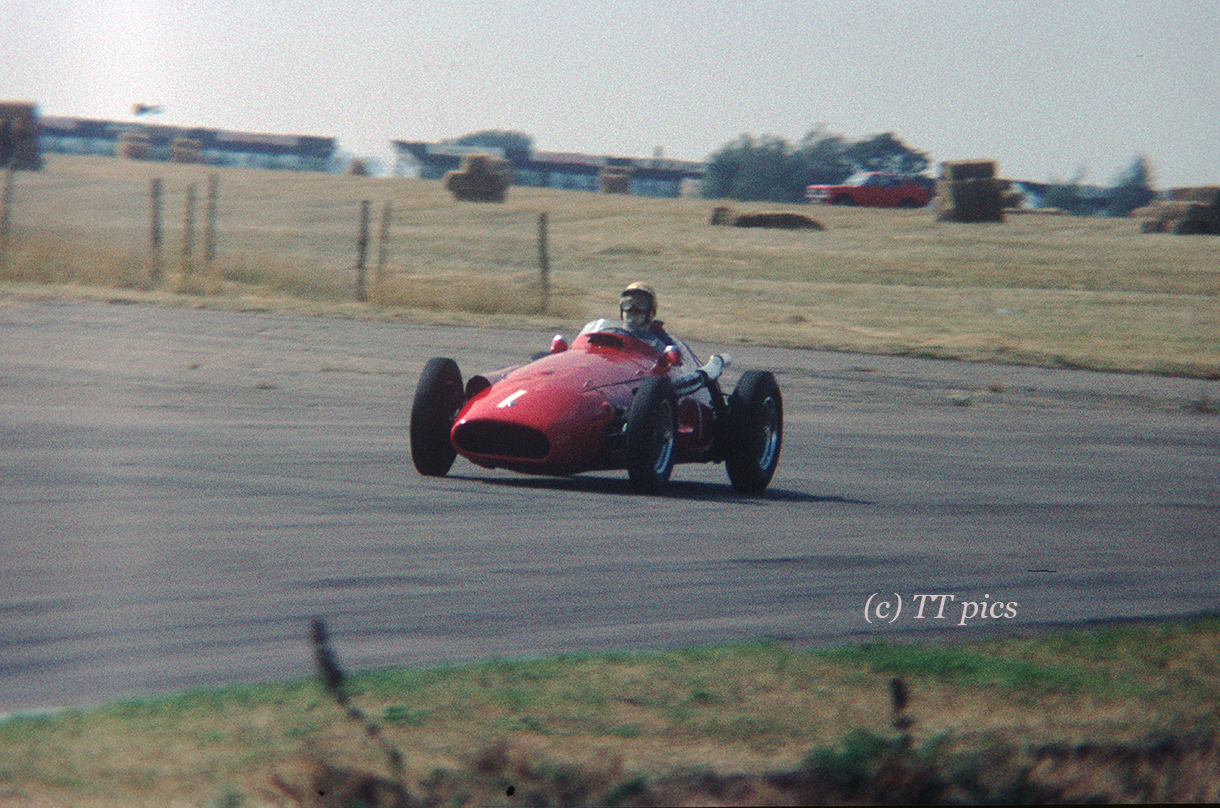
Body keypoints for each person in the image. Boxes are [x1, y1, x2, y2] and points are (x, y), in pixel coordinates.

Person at [618, 281, 675, 350]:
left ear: (651, 312)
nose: (633, 309)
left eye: (641, 304)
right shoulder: (612, 335)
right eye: (628, 303)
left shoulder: (660, 342)